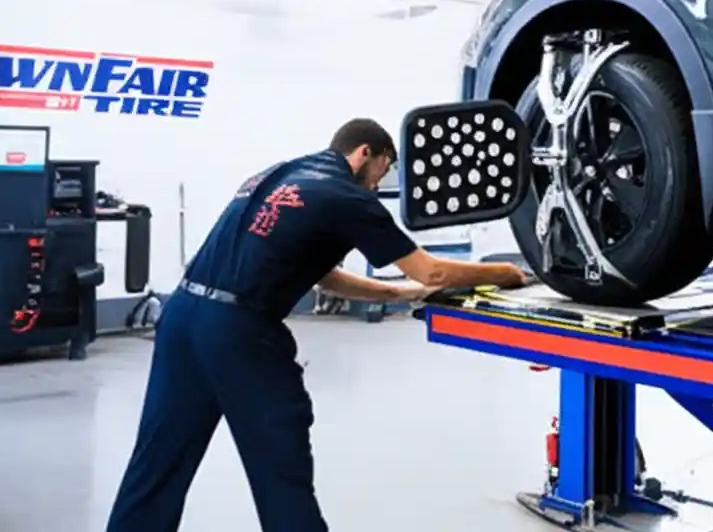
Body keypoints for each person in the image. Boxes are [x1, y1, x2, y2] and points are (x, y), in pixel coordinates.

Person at [105, 117, 529, 532]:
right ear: (366, 153)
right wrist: (500, 273)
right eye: (383, 169)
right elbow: (432, 272)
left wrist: (397, 294)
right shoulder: (349, 198)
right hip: (239, 332)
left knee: (158, 460)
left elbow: (323, 276)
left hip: (181, 316)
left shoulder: (277, 175)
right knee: (280, 467)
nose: (380, 184)